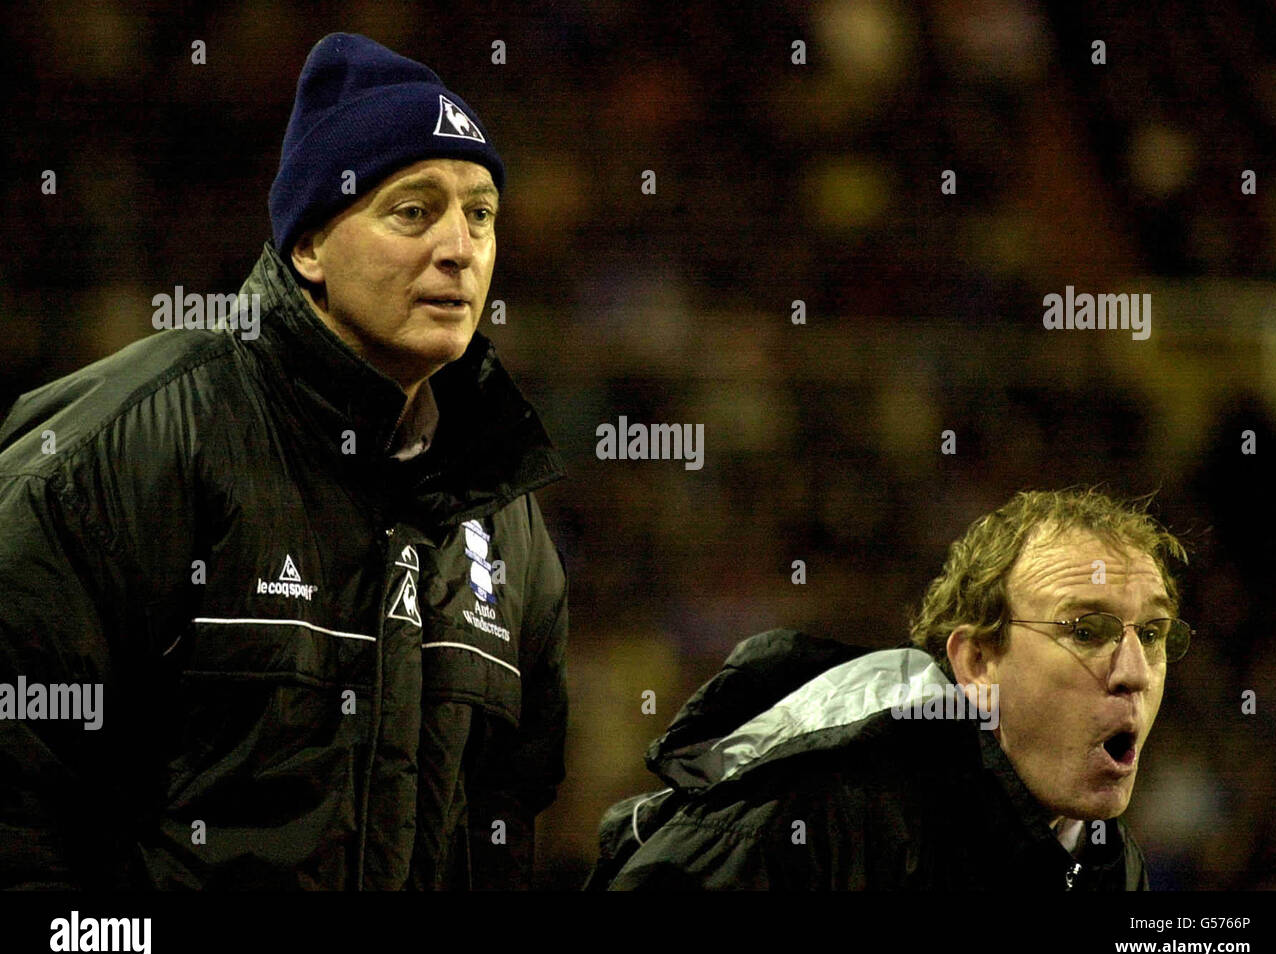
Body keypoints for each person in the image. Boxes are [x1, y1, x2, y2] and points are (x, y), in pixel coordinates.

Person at [0, 33, 568, 890]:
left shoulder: (501, 509)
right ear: (308, 245)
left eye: (480, 213)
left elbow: (506, 820)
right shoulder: (132, 442)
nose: (460, 247)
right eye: (413, 211)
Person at [591, 488, 1189, 890]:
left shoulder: (1103, 857)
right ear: (978, 663)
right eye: (1086, 631)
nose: (1134, 671)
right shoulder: (816, 811)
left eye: (1156, 633)